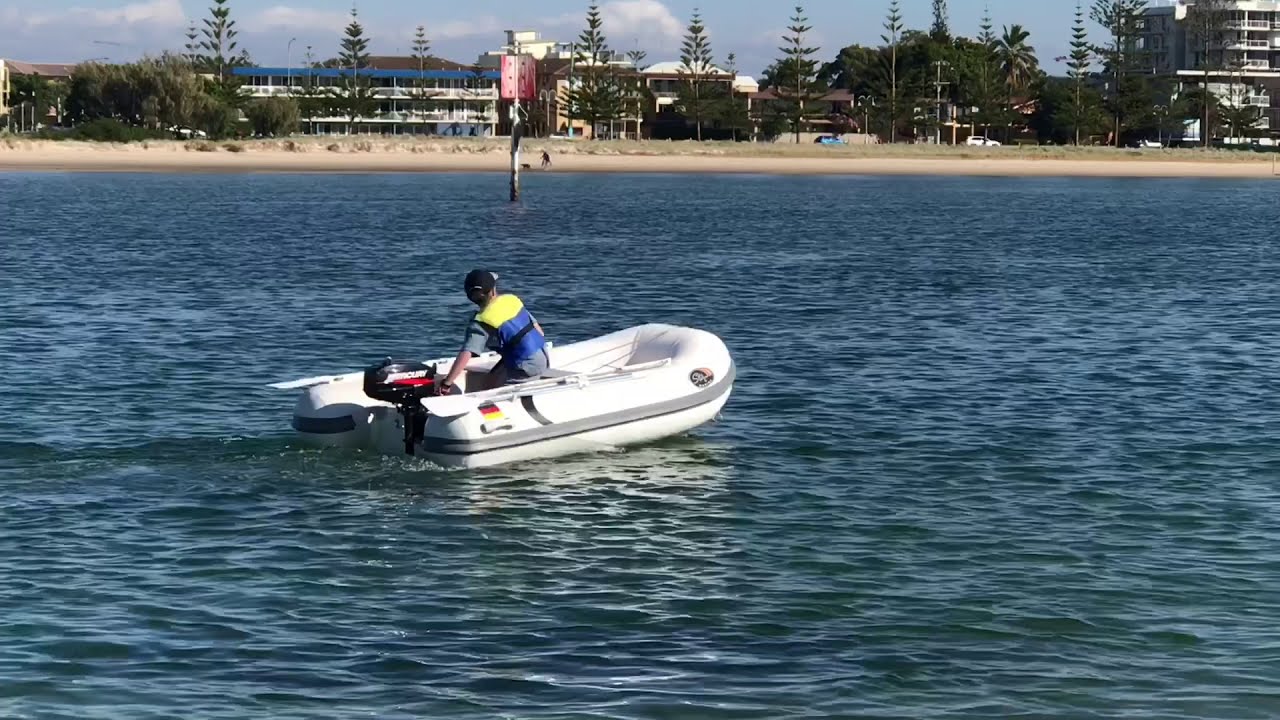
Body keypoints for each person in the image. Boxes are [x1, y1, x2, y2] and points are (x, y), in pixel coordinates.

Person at [436, 270, 549, 395]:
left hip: (526, 367)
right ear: (493, 290)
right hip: (542, 354)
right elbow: (540, 331)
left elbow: (466, 353)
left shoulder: (481, 322)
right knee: (491, 380)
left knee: (494, 394)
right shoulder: (511, 300)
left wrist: (447, 383)